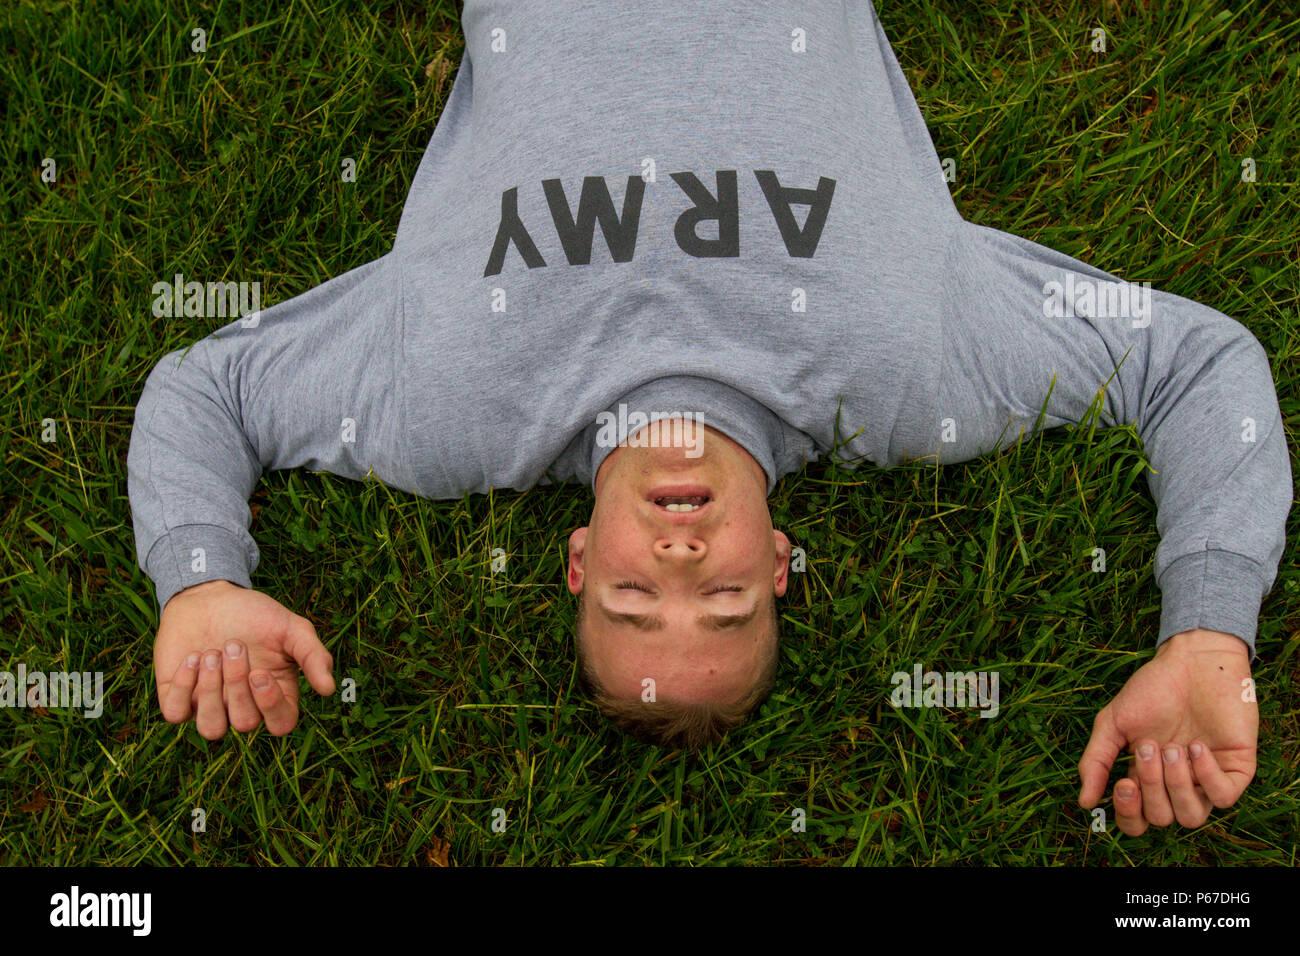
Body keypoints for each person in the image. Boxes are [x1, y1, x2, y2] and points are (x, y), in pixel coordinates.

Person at [127, 1, 1291, 838]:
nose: (679, 558)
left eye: (636, 595)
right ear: (779, 561)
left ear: (580, 559)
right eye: (722, 597)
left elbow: (205, 390)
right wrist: (1205, 634)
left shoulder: (449, 404)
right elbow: (1196, 363)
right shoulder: (912, 374)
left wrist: (199, 580)